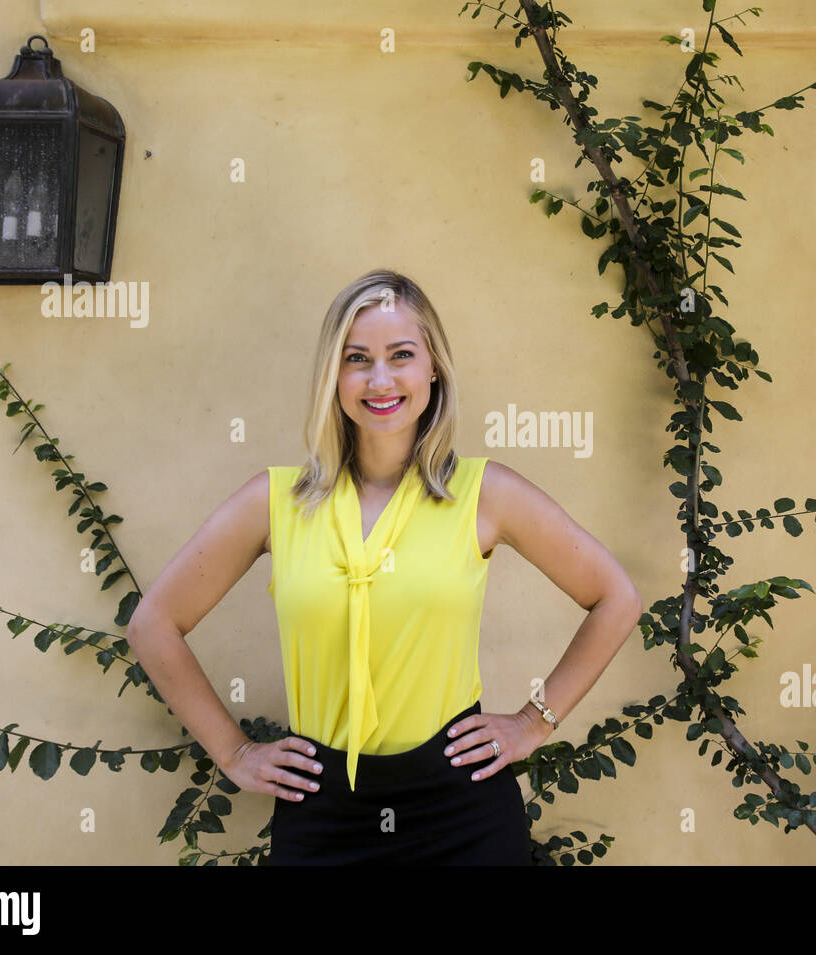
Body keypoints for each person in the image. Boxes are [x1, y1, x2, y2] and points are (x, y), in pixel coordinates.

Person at [125, 269, 642, 865]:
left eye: (401, 354)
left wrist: (534, 720)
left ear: (433, 368)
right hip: (323, 815)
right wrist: (235, 754)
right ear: (333, 376)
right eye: (357, 358)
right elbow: (153, 624)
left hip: (462, 810)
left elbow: (615, 596)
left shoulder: (484, 494)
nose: (380, 379)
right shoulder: (275, 503)